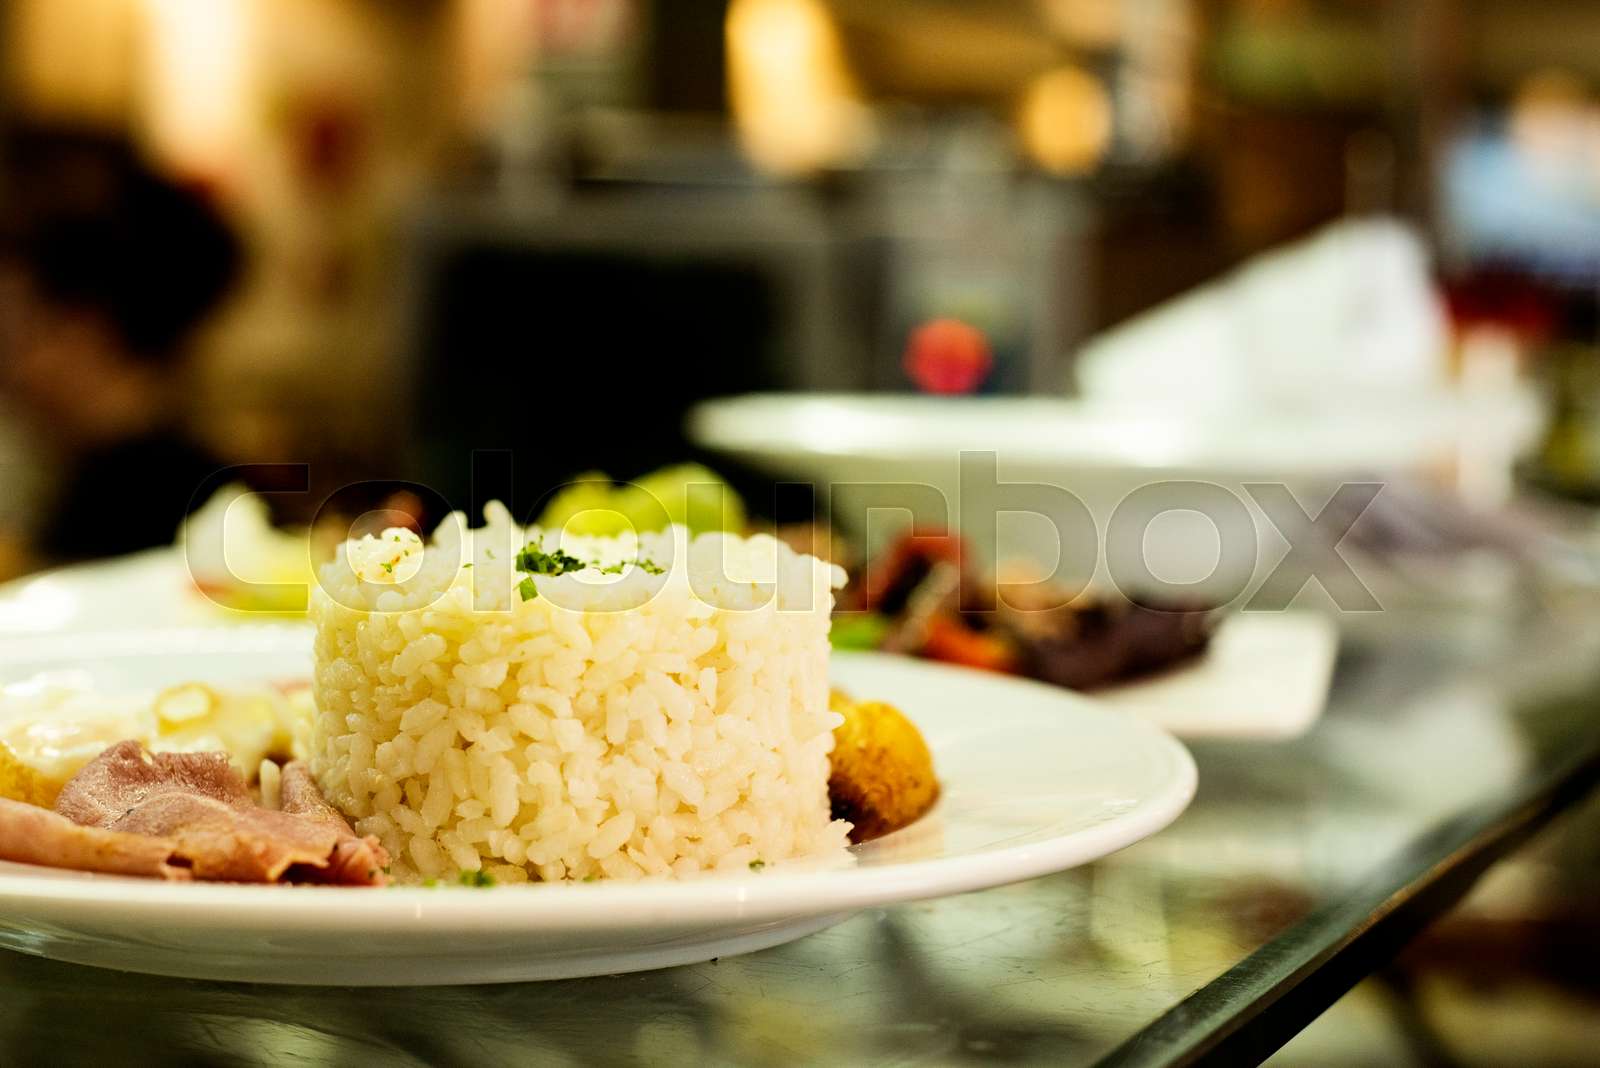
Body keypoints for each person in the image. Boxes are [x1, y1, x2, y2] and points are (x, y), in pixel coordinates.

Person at [0, 138, 242, 563]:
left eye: (18, 338)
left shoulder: (136, 503)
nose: (10, 373)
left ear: (84, 330)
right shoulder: (190, 479)